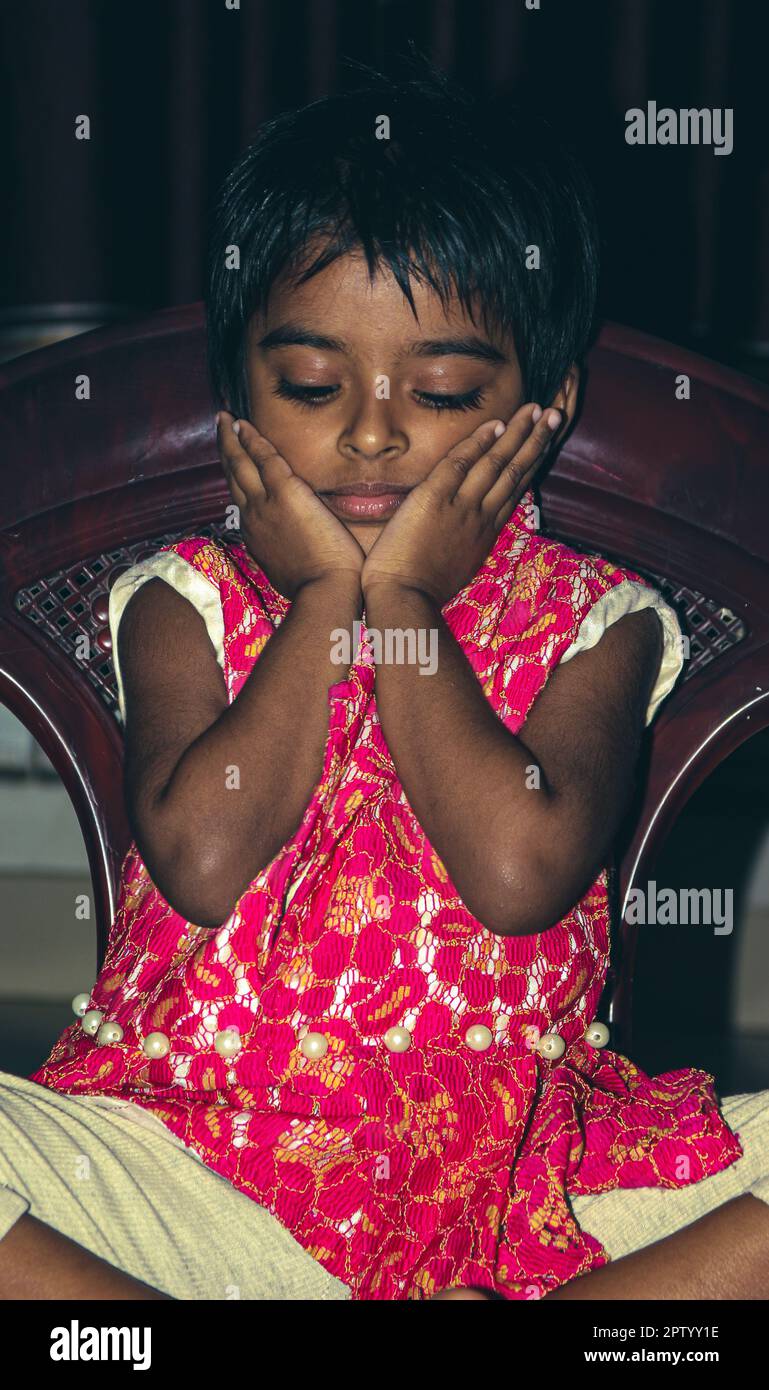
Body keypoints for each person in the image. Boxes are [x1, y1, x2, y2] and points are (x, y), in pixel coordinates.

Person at [2, 60, 768, 1302]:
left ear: (544, 405)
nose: (368, 434)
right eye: (310, 386)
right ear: (235, 397)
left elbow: (519, 872)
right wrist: (322, 605)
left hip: (517, 1192)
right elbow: (199, 856)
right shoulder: (178, 602)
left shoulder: (596, 623)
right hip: (201, 1182)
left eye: (444, 394)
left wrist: (403, 608)